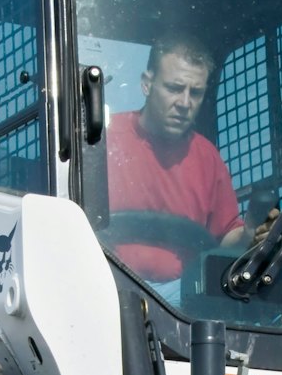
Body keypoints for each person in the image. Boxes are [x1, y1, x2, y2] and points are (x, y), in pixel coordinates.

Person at [106, 36, 268, 288]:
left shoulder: (207, 157)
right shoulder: (104, 141)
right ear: (146, 84)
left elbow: (223, 238)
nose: (184, 103)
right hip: (105, 282)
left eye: (195, 93)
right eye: (174, 88)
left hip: (180, 298)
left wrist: (249, 233)